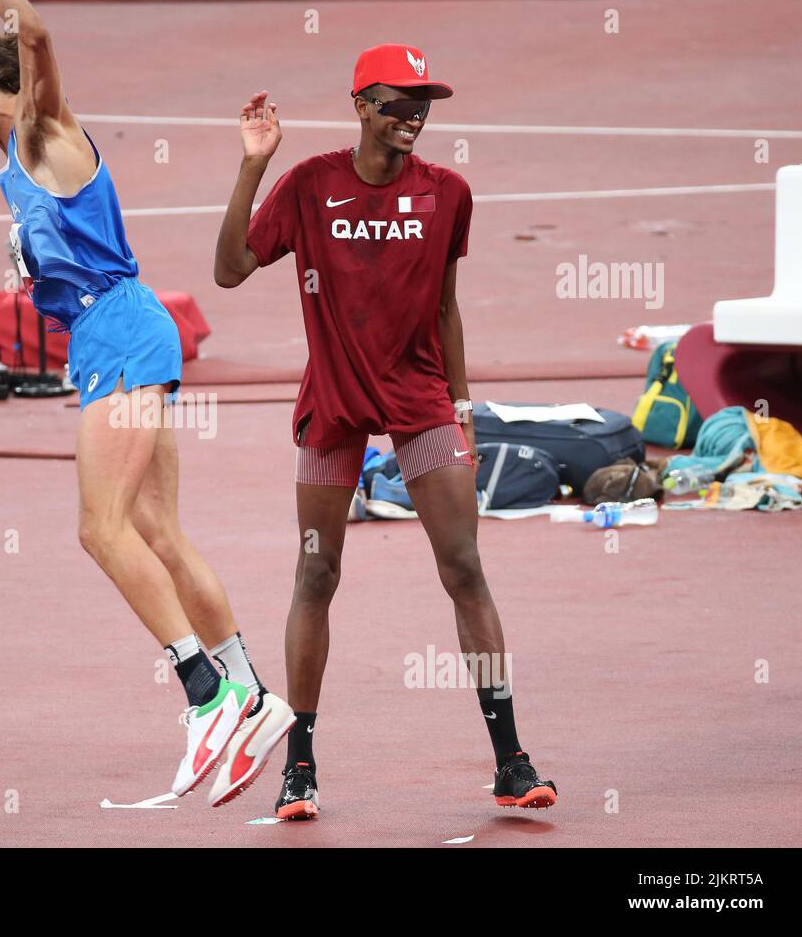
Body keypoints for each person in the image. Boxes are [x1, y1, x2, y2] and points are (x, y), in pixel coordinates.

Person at [0, 0, 293, 805]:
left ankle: (206, 693)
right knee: (157, 533)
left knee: (99, 531)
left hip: (119, 335)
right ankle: (254, 695)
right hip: (122, 334)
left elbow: (26, 30)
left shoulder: (43, 131)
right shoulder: (12, 141)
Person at [213, 43, 557, 820]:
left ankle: (510, 759)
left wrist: (464, 406)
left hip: (420, 398)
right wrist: (253, 165)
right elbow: (230, 268)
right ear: (361, 105)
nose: (415, 116)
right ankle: (299, 763)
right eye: (399, 102)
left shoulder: (448, 193)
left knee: (465, 566)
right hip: (333, 402)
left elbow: (445, 304)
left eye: (424, 103)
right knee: (317, 574)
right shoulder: (310, 185)